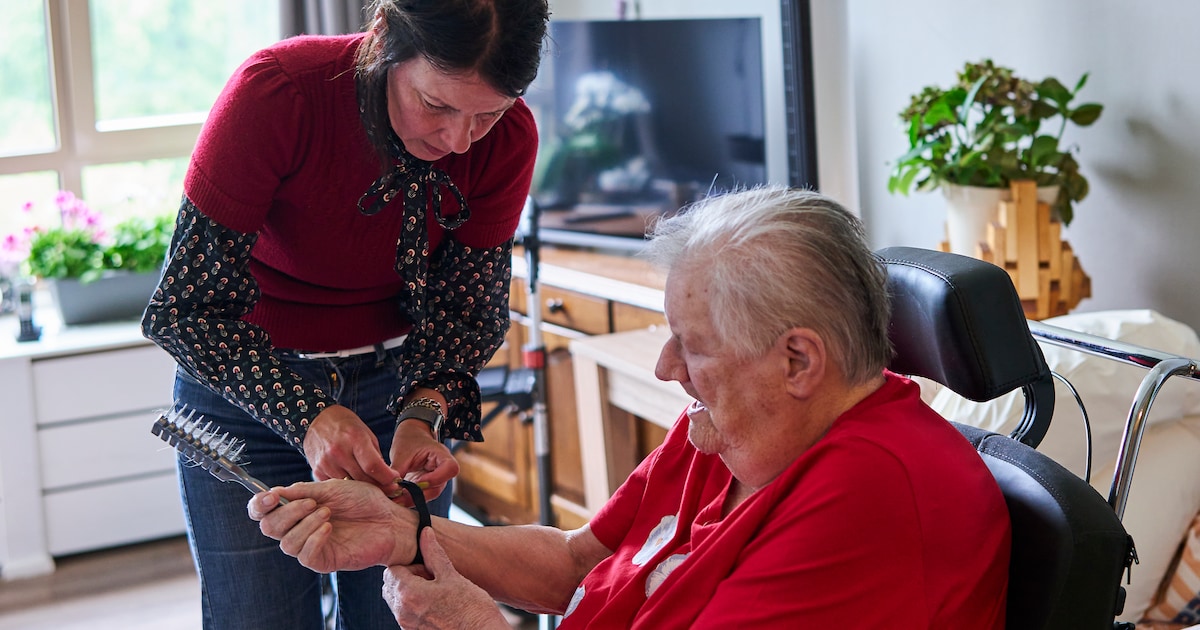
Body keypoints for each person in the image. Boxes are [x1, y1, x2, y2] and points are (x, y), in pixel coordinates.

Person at [247, 186, 1013, 628]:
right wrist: (403, 526)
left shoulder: (870, 494)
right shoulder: (736, 434)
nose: (665, 366)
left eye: (694, 344)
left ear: (799, 359)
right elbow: (581, 561)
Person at [141, 1, 550, 628]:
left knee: (400, 616)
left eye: (487, 114)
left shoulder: (509, 139)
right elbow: (188, 308)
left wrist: (421, 415)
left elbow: (463, 310)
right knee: (256, 617)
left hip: (394, 388)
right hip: (246, 388)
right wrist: (308, 414)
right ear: (384, 39)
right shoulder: (279, 94)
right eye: (436, 105)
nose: (457, 141)